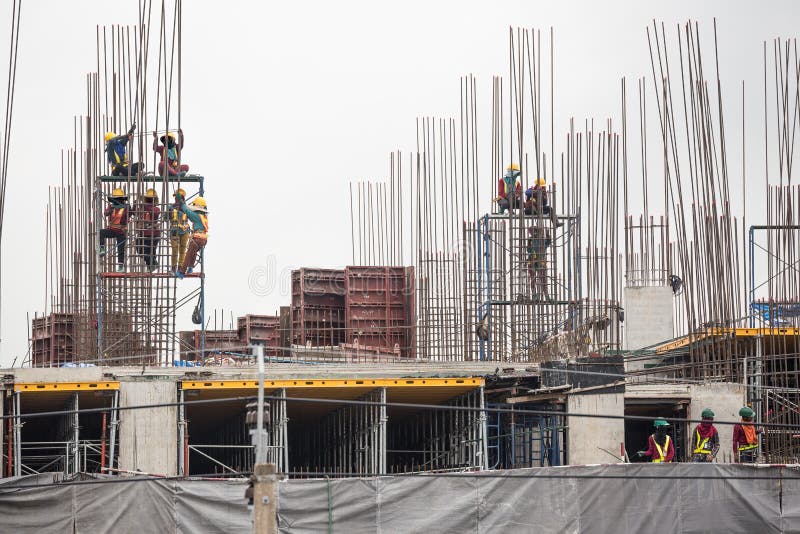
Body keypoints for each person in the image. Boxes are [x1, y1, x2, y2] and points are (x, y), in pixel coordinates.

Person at [176, 193, 208, 279]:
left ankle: (181, 272)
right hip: (203, 240)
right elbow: (189, 215)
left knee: (188, 254)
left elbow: (188, 212)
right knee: (193, 253)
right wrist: (184, 203)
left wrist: (182, 204)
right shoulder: (203, 216)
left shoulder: (197, 216)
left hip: (197, 238)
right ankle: (190, 267)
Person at [98, 188, 129, 272]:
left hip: (121, 232)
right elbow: (106, 213)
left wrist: (134, 207)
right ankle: (102, 248)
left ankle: (120, 266)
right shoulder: (111, 206)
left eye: (119, 199)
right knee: (101, 232)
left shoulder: (126, 207)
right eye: (116, 199)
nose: (117, 200)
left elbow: (132, 213)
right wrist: (110, 210)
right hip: (112, 230)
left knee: (121, 249)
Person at [131, 188, 161, 272]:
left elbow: (154, 213)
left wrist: (144, 205)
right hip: (143, 233)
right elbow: (133, 212)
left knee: (150, 251)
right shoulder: (142, 208)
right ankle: (153, 264)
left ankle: (151, 265)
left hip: (153, 233)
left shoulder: (156, 209)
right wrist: (134, 204)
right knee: (141, 250)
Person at [168, 188, 190, 273]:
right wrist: (169, 211)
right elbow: (165, 218)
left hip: (185, 230)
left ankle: (180, 267)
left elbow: (191, 217)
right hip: (174, 230)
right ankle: (173, 267)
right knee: (174, 249)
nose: (177, 199)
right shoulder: (171, 207)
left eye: (179, 198)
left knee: (183, 249)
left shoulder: (187, 208)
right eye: (176, 198)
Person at [526, 225, 551, 299]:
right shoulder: (530, 240)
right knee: (533, 279)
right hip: (532, 262)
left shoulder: (542, 239)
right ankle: (534, 295)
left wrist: (547, 234)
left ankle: (546, 296)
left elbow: (548, 242)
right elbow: (528, 250)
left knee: (543, 279)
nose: (533, 233)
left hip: (540, 262)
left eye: (534, 231)